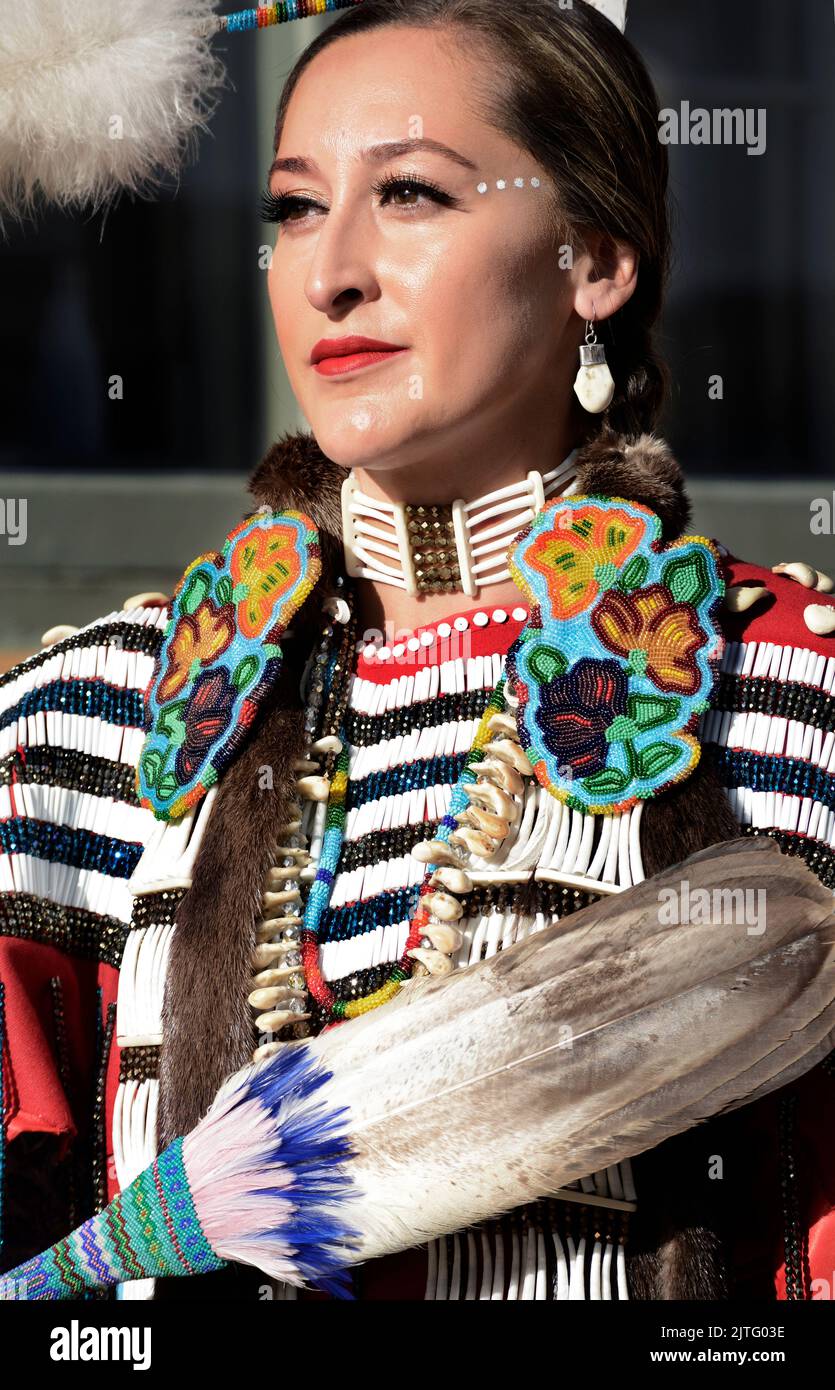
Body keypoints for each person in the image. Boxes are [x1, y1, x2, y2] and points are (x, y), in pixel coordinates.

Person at [1, 0, 833, 1302]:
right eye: (290, 207)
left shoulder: (784, 696)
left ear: (595, 259)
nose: (331, 267)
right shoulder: (89, 727)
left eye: (411, 195)